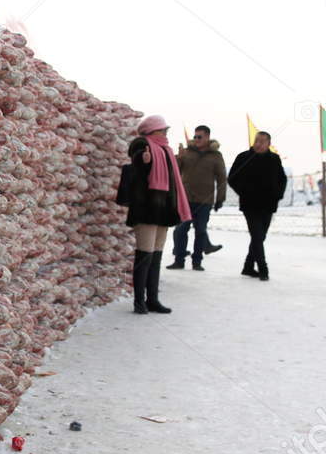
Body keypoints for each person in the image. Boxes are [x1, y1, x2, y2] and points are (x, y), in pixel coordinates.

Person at [122, 114, 190, 314]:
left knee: (157, 255)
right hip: (146, 210)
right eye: (163, 130)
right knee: (144, 255)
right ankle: (139, 301)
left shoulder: (166, 150)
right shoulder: (143, 144)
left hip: (163, 211)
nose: (166, 133)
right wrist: (143, 161)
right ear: (153, 131)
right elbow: (136, 161)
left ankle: (153, 298)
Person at [166, 124, 227, 271]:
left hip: (205, 201)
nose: (197, 139)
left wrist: (220, 199)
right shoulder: (186, 152)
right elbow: (175, 170)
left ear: (207, 137)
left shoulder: (216, 156)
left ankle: (197, 262)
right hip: (186, 199)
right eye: (195, 136)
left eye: (200, 137)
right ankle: (179, 260)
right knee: (180, 230)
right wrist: (178, 158)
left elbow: (221, 178)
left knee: (200, 231)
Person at [227, 130, 286, 281]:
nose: (258, 144)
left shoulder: (274, 159)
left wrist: (278, 195)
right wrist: (244, 192)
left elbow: (282, 179)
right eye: (256, 140)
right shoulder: (243, 157)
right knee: (257, 235)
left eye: (262, 141)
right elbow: (232, 178)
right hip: (250, 204)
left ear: (268, 143)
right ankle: (263, 269)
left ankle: (248, 267)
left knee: (260, 236)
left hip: (268, 205)